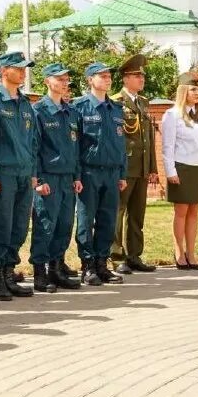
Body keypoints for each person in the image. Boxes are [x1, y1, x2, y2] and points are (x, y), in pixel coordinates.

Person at [0, 52, 37, 300]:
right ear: (3, 71)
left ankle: (9, 273)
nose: (23, 72)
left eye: (25, 68)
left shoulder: (24, 103)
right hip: (2, 174)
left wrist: (33, 172)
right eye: (18, 68)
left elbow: (32, 141)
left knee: (19, 226)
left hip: (23, 174)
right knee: (1, 226)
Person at [73, 62, 127, 286]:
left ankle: (102, 264)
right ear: (89, 80)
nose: (107, 79)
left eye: (108, 76)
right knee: (86, 220)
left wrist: (122, 173)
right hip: (89, 172)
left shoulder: (116, 109)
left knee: (107, 220)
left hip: (112, 173)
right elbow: (74, 146)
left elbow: (121, 144)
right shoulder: (79, 107)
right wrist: (76, 175)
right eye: (102, 76)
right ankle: (88, 266)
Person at [30, 63, 82, 292]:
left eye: (66, 79)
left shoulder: (71, 112)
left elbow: (75, 147)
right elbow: (34, 148)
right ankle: (40, 273)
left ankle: (57, 268)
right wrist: (39, 181)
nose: (64, 83)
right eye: (59, 79)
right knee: (45, 225)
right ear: (47, 82)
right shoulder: (38, 111)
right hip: (48, 178)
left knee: (64, 225)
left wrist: (77, 175)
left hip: (67, 178)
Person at [161, 71, 198, 269]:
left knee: (194, 211)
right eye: (193, 89)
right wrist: (170, 171)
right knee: (181, 211)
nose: (197, 93)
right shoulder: (172, 115)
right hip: (181, 167)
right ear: (183, 91)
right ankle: (178, 252)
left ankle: (191, 253)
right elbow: (167, 146)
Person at [111, 55, 159, 274]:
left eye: (142, 75)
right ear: (125, 78)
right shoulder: (115, 102)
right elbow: (115, 139)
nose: (141, 79)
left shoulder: (143, 103)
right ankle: (116, 256)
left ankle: (134, 255)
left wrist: (152, 169)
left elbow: (149, 138)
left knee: (137, 214)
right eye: (137, 75)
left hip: (141, 167)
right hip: (125, 166)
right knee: (118, 212)